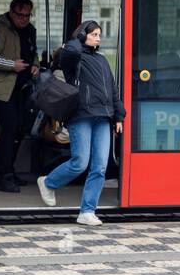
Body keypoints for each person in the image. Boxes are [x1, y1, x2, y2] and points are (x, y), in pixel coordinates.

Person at [37, 20, 125, 226]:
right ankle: (48, 182)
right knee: (80, 162)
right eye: (94, 34)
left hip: (103, 118)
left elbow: (112, 90)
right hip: (80, 116)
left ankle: (87, 211)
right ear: (83, 34)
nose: (98, 38)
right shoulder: (73, 58)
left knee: (100, 166)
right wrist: (79, 38)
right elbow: (70, 51)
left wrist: (119, 116)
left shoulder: (102, 61)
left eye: (99, 35)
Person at [0, 0, 38, 191]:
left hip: (21, 87)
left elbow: (33, 53)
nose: (23, 19)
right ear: (11, 12)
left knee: (20, 128)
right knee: (10, 126)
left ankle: (9, 171)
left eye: (27, 15)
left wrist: (35, 66)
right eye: (19, 15)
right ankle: (4, 174)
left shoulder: (30, 31)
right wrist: (11, 65)